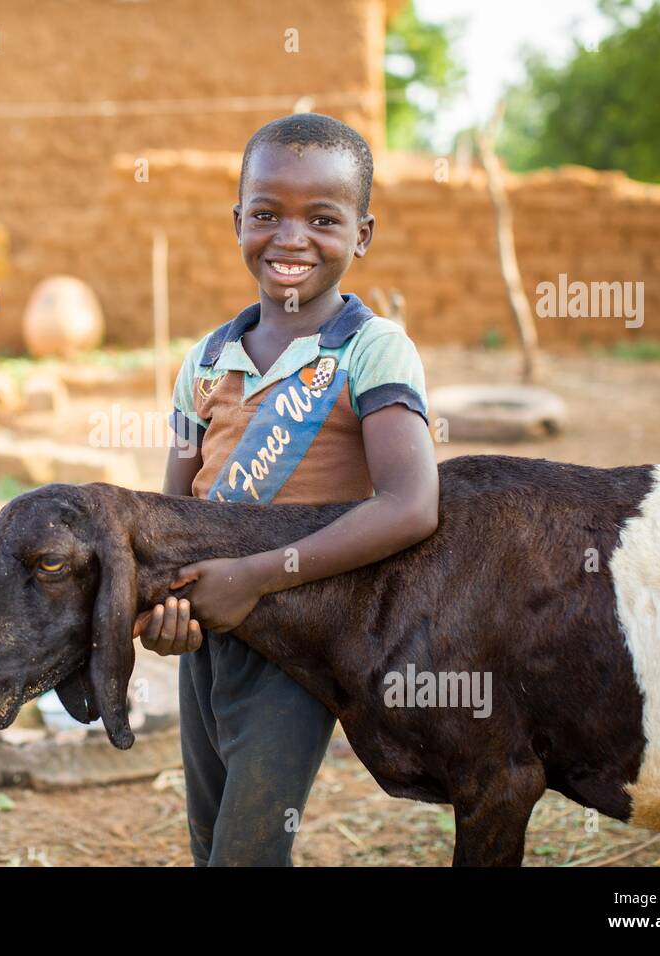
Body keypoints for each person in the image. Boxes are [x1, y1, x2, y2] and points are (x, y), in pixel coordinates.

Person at [133, 113, 441, 866]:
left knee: (250, 852)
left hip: (299, 636)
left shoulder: (373, 350)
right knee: (210, 843)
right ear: (238, 221)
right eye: (267, 214)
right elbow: (174, 514)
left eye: (323, 218)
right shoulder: (203, 361)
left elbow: (411, 505)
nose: (291, 238)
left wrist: (254, 579)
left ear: (362, 234)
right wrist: (162, 607)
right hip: (208, 638)